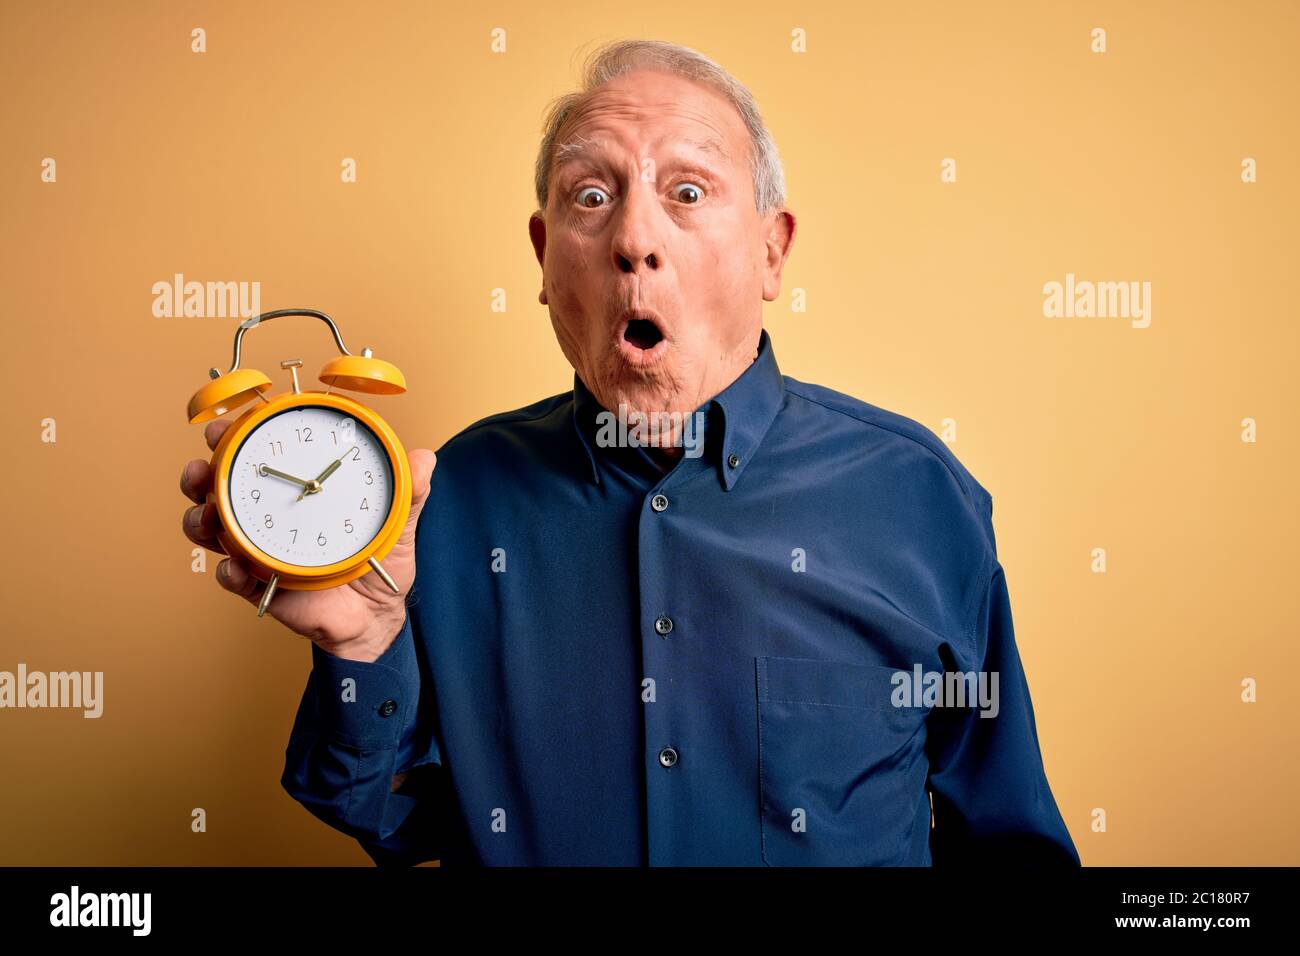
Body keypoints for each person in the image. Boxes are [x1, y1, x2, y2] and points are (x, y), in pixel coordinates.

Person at [179, 38, 1080, 867]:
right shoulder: (441, 509)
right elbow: (389, 817)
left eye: (687, 193)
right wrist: (363, 642)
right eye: (592, 197)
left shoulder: (917, 496)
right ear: (543, 258)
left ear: (772, 251)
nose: (635, 240)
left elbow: (1010, 846)